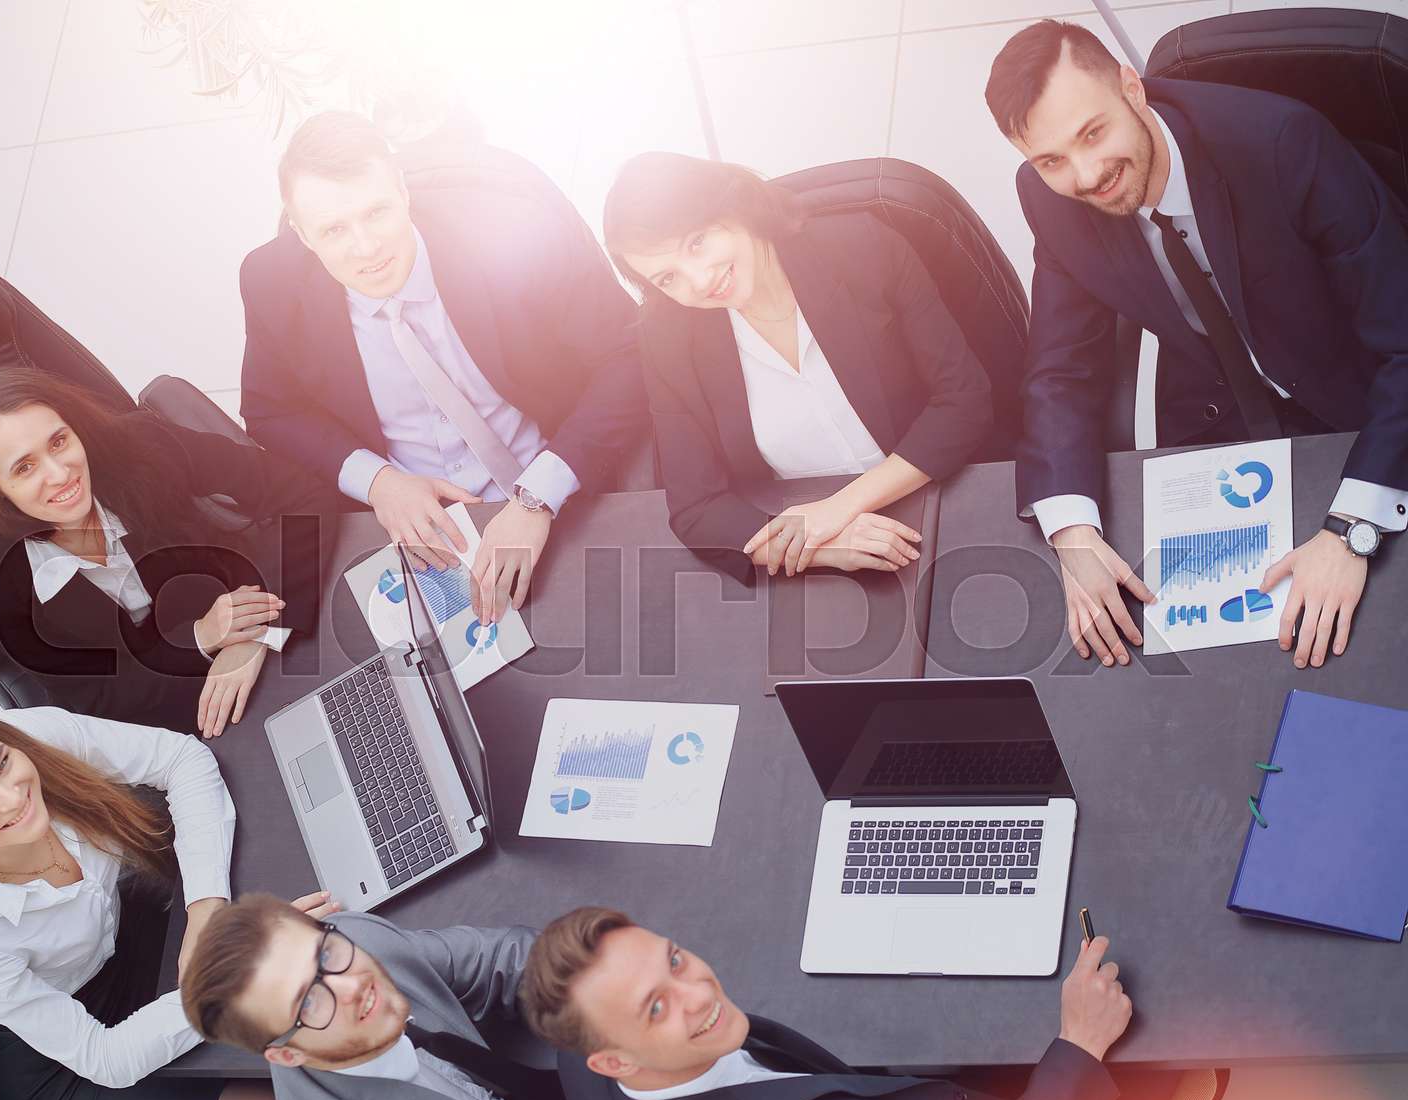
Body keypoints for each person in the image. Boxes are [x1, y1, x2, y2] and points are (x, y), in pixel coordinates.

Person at [985, 20, 1408, 670]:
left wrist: (1353, 529)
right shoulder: (1047, 197)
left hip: (1355, 397)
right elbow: (1059, 370)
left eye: (1093, 133)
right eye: (1050, 160)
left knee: (1368, 644)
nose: (1086, 175)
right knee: (1176, 661)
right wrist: (1071, 529)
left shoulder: (1282, 143)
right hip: (1214, 392)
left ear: (1133, 88)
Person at [0, 702, 338, 1100]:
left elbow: (183, 758)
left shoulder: (34, 738)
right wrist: (230, 973)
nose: (11, 797)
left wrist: (207, 911)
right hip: (65, 1073)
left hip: (130, 952)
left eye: (3, 764)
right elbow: (105, 1059)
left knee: (319, 1030)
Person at [239, 111, 647, 624]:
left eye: (377, 212)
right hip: (426, 539)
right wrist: (378, 481)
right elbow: (270, 411)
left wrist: (535, 498)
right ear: (300, 232)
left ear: (403, 190)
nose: (366, 248)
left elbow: (631, 353)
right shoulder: (270, 282)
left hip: (567, 488)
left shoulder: (506, 234)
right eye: (334, 229)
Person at [519, 907, 1132, 1100]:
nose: (699, 992)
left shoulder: (583, 1058)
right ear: (615, 1061)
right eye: (656, 1006)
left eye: (674, 960)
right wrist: (1078, 1047)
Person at [603, 151, 994, 584]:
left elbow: (965, 403)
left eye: (697, 243)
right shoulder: (668, 336)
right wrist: (815, 546)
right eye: (667, 278)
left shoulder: (862, 247)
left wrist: (839, 510)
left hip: (946, 497)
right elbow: (696, 508)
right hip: (828, 556)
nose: (698, 281)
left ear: (729, 206)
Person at [0, 366, 329, 737]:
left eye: (59, 442)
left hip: (274, 618)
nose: (60, 474)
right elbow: (99, 702)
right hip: (179, 724)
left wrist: (263, 629)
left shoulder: (141, 447)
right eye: (25, 467)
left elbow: (299, 493)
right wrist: (200, 638)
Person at [178, 894, 615, 1100]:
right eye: (309, 1001)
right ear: (288, 1056)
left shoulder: (349, 941)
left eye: (324, 955)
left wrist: (620, 997)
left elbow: (501, 959)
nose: (350, 986)